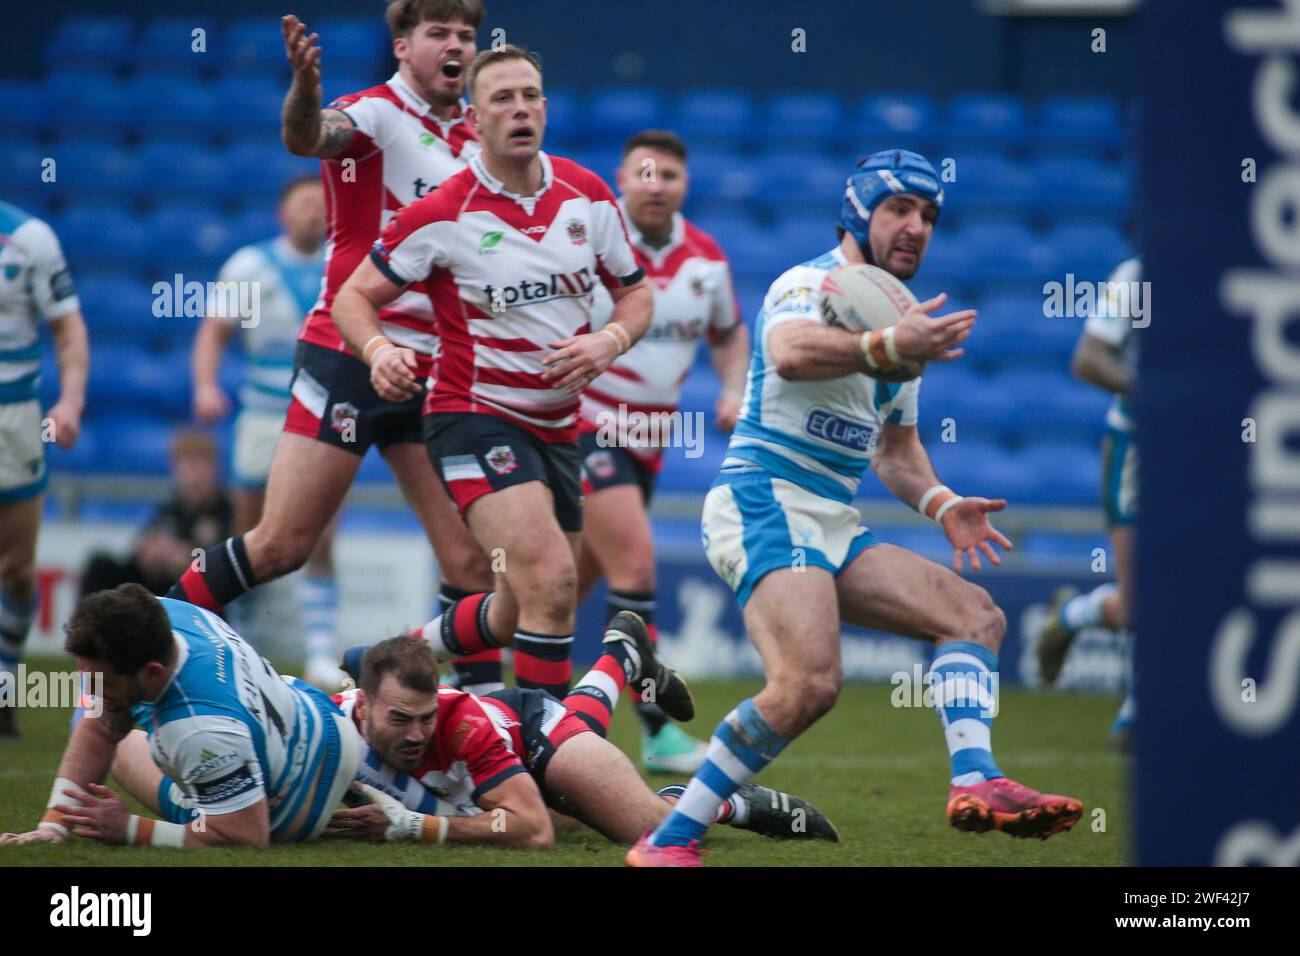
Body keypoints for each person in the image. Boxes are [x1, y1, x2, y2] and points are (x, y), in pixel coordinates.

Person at [627, 149, 1084, 866]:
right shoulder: (805, 284)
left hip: (832, 520)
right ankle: (671, 840)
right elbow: (788, 354)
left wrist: (943, 505)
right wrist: (886, 343)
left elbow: (896, 453)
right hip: (764, 497)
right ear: (858, 213)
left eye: (929, 215)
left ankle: (977, 780)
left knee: (975, 616)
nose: (916, 227)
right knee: (809, 683)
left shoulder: (902, 323)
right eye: (899, 209)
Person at [169, 1, 518, 696]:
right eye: (439, 33)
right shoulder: (376, 115)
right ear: (402, 47)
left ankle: (478, 742)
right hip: (351, 352)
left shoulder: (484, 137)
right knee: (284, 546)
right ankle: (148, 635)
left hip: (434, 370)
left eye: (466, 35)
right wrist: (303, 90)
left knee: (474, 568)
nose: (456, 45)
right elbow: (307, 137)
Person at [332, 45, 653, 701]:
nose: (520, 109)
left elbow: (638, 294)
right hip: (473, 419)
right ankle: (550, 762)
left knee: (517, 605)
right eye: (502, 99)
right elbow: (352, 298)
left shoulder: (586, 195)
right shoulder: (443, 213)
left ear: (546, 108)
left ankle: (386, 661)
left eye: (530, 95)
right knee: (554, 582)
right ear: (474, 120)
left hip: (559, 429)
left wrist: (608, 342)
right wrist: (380, 352)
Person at [323, 619, 836, 846]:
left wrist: (416, 827)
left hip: (526, 733)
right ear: (363, 706)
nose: (416, 733)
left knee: (646, 829)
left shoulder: (464, 728)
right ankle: (622, 657)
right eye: (399, 720)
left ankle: (725, 802)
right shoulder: (327, 722)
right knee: (583, 803)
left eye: (425, 717)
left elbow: (531, 831)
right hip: (507, 759)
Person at [576, 129, 750, 774]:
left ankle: (448, 671)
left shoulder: (707, 262)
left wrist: (733, 388)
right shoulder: (590, 242)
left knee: (551, 596)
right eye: (644, 173)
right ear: (621, 178)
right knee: (638, 571)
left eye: (670, 175)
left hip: (646, 446)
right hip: (584, 427)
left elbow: (730, 338)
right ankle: (658, 732)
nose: (656, 185)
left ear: (685, 184)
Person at [0, 584, 361, 848]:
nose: (88, 685)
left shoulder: (195, 730)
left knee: (117, 734)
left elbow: (247, 836)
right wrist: (53, 825)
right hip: (320, 718)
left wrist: (130, 829)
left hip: (292, 806)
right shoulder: (166, 612)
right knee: (96, 711)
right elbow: (99, 724)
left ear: (153, 672)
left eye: (103, 678)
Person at [190, 176, 341, 686]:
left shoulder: (339, 265)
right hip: (262, 412)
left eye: (322, 206)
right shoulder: (250, 266)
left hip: (320, 410)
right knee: (250, 531)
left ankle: (321, 650)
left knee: (321, 531)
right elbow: (213, 332)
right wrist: (207, 385)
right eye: (303, 206)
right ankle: (242, 640)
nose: (314, 215)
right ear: (283, 214)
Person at [1035, 256, 1141, 750]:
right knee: (1142, 596)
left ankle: (1073, 615)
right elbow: (1088, 359)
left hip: (1214, 450)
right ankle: (1137, 708)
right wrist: (1163, 395)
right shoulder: (1138, 276)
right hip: (1139, 449)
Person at [0, 199, 89, 740]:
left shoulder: (30, 237)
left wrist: (71, 401)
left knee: (15, 569)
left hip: (13, 413)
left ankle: (5, 685)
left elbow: (68, 328)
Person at [79, 429, 232, 598]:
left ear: (213, 469)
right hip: (155, 582)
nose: (193, 476)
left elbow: (224, 567)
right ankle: (90, 621)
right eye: (187, 465)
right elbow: (142, 548)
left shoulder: (225, 512)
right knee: (101, 566)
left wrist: (184, 558)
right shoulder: (170, 508)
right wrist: (148, 553)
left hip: (192, 591)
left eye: (199, 466)